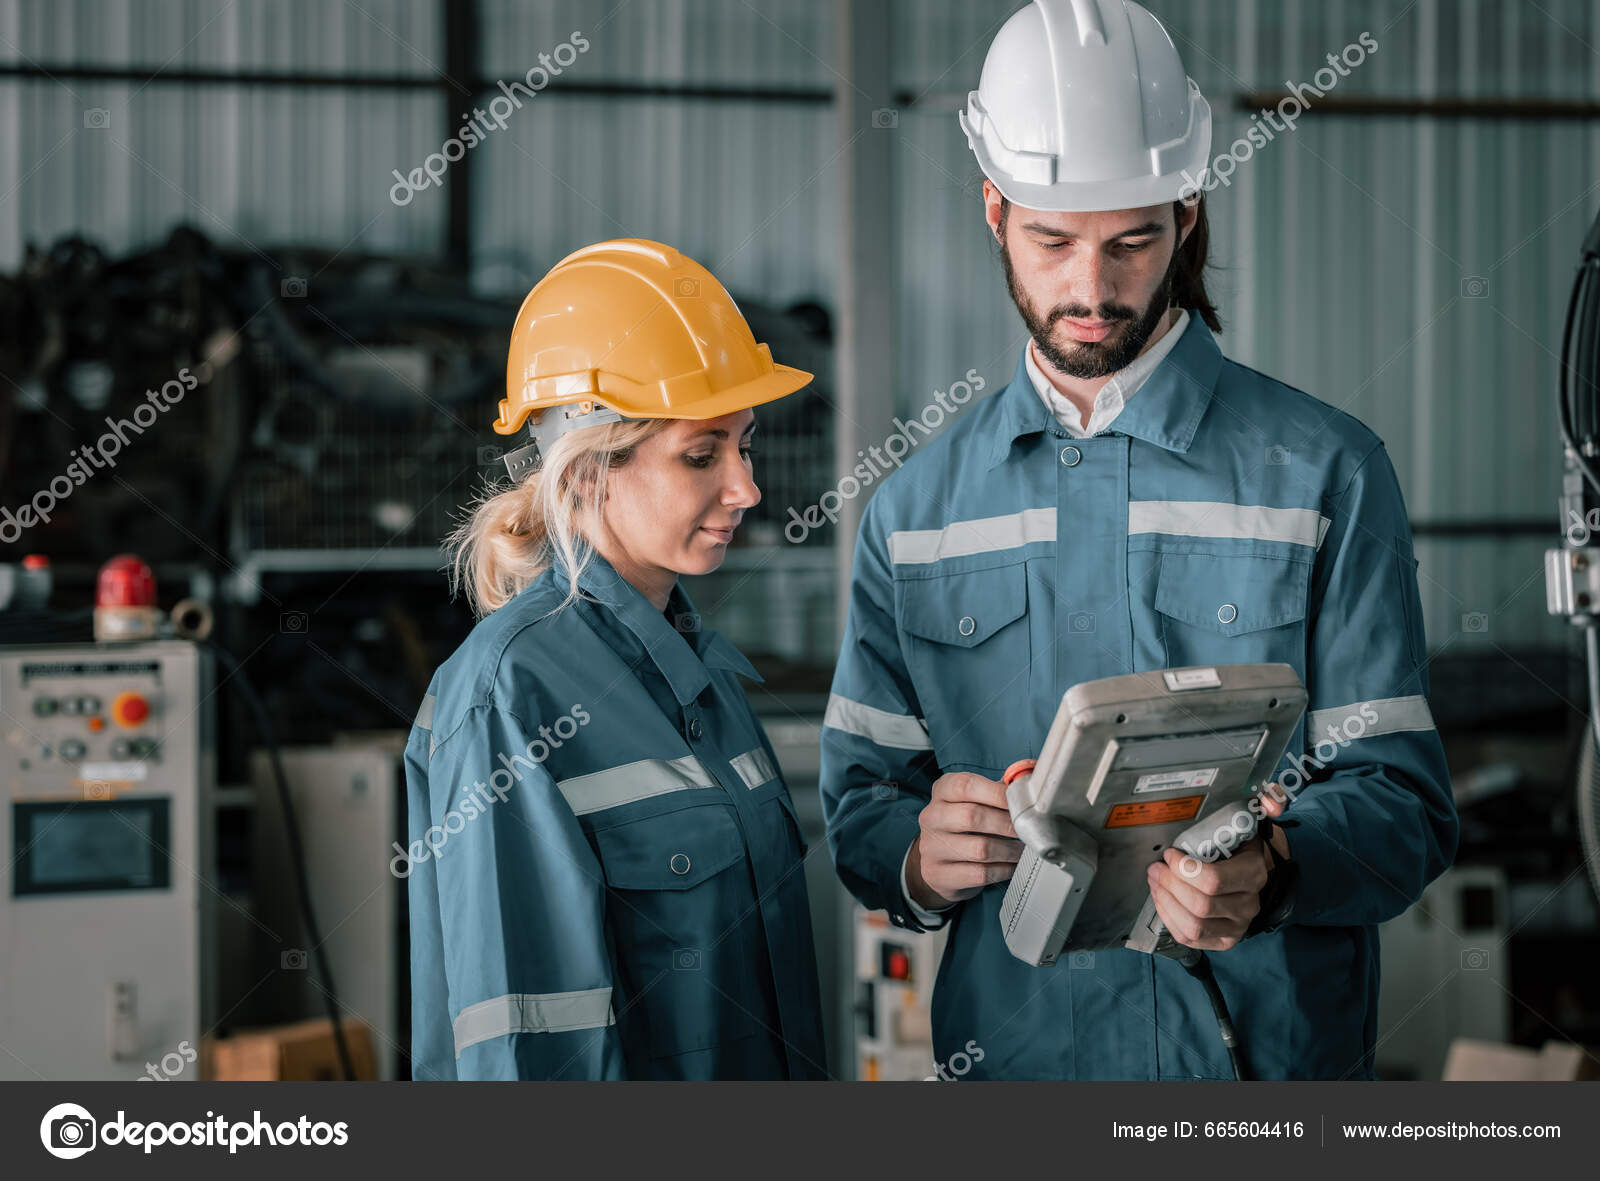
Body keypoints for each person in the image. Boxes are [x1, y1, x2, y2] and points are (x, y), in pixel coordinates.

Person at [819, 0, 1457, 1080]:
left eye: (1131, 241)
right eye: (1052, 241)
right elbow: (861, 808)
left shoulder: (1326, 472)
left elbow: (1402, 801)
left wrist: (1278, 866)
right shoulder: (914, 510)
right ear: (994, 209)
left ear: (1186, 213)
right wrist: (919, 858)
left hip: (1261, 1072)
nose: (1090, 288)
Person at [404, 238, 826, 1080]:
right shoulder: (509, 698)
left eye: (744, 445)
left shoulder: (705, 678)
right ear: (588, 472)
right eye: (702, 454)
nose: (746, 488)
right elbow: (528, 1054)